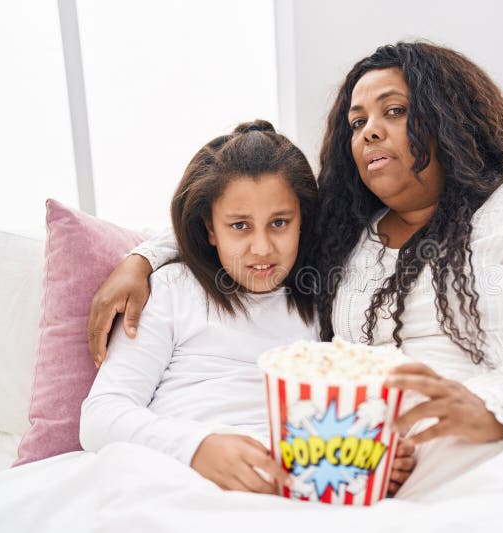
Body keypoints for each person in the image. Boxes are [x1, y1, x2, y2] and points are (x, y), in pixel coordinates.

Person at [88, 43, 503, 492]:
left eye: (395, 111)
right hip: (384, 480)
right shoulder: (347, 236)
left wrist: (497, 404)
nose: (370, 131)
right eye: (357, 122)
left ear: (451, 118)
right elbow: (244, 211)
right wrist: (142, 257)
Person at [80, 120, 415, 495]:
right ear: (209, 228)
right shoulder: (172, 290)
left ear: (303, 220)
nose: (261, 248)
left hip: (284, 480)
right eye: (240, 226)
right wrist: (198, 447)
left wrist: (372, 448)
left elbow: (342, 411)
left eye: (279, 223)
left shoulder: (326, 298)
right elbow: (100, 416)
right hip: (176, 471)